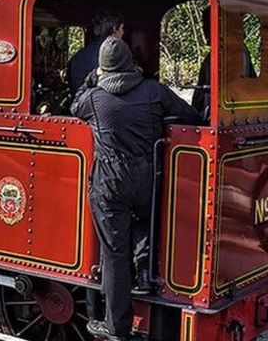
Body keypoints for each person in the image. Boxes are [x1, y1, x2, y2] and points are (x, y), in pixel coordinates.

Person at [71, 37, 200, 341]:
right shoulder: (154, 91)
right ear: (131, 63)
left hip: (110, 182)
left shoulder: (94, 99)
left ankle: (117, 327)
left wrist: (91, 79)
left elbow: (74, 105)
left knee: (115, 252)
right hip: (146, 177)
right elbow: (190, 115)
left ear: (102, 68)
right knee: (145, 223)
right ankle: (144, 275)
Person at [191, 7, 256, 118]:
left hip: (212, 112)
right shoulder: (218, 52)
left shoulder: (234, 52)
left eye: (207, 25)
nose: (204, 30)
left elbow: (233, 91)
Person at [67, 11, 124, 92]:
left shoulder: (78, 56)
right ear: (115, 29)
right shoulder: (116, 56)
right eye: (122, 28)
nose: (123, 32)